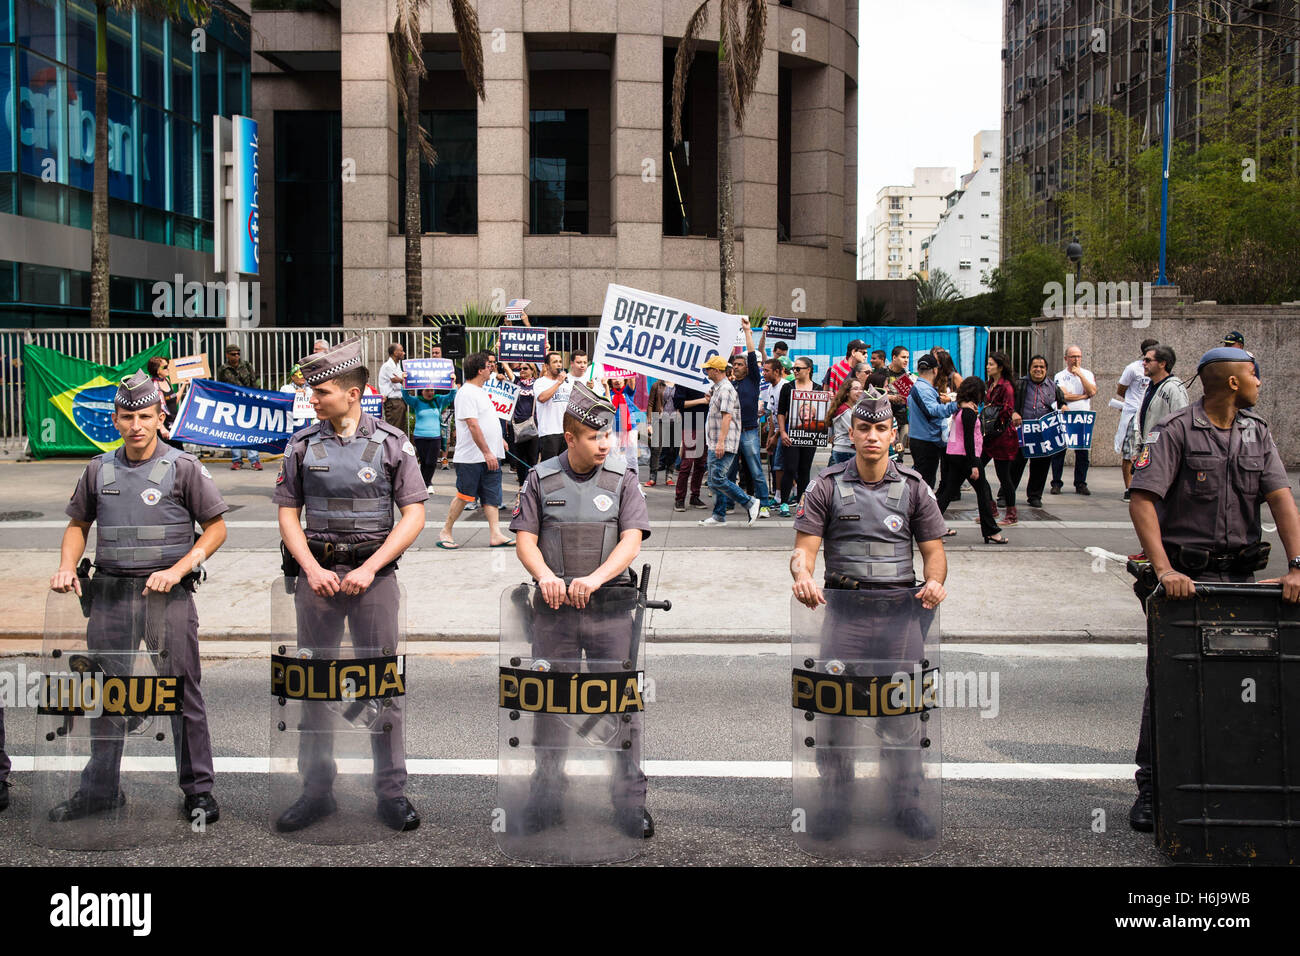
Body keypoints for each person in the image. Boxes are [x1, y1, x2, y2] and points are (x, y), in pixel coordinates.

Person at [1125, 346, 1300, 832]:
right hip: (1186, 582)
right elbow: (1142, 502)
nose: (1260, 383)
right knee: (1169, 680)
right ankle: (1153, 787)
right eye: (1253, 375)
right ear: (1230, 382)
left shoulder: (1256, 433)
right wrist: (1164, 572)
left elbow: (1282, 501)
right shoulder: (1175, 430)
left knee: (1241, 684)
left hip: (1241, 581)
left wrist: (1298, 567)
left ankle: (1228, 776)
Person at [49, 370, 228, 826]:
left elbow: (216, 528)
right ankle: (101, 790)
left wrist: (178, 569)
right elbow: (78, 525)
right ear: (115, 418)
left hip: (165, 599)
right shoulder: (98, 469)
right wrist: (69, 566)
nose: (136, 426)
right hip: (109, 596)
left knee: (181, 693)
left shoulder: (184, 468)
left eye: (145, 416)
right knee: (107, 696)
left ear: (160, 415)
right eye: (127, 416)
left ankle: (198, 792)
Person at [272, 339, 427, 834]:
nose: (312, 398)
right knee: (313, 687)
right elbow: (287, 514)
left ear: (354, 393)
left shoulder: (392, 443)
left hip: (372, 579)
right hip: (316, 579)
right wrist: (311, 569)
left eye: (321, 390)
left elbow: (414, 515)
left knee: (382, 687)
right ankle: (316, 792)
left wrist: (371, 566)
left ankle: (391, 793)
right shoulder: (300, 446)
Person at [789, 385, 949, 840]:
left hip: (902, 614)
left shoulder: (916, 489)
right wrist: (802, 575)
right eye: (864, 428)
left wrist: (936, 581)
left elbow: (934, 554)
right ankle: (835, 801)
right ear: (851, 432)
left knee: (901, 713)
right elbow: (803, 551)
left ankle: (906, 803)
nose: (873, 437)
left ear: (894, 435)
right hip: (845, 615)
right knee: (834, 712)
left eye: (881, 429)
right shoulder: (826, 485)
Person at [510, 381, 654, 838]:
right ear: (570, 438)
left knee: (619, 706)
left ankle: (628, 801)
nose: (605, 444)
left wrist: (594, 579)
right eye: (594, 437)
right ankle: (547, 795)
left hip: (610, 610)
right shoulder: (540, 477)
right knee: (550, 706)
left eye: (607, 435)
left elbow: (631, 539)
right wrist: (545, 576)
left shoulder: (622, 479)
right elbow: (525, 540)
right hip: (553, 614)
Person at [439, 352, 514, 550]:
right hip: (472, 458)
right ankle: (446, 530)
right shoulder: (466, 393)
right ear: (480, 370)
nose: (492, 367)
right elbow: (473, 425)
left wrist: (498, 443)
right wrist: (487, 452)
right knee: (465, 495)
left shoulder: (480, 391)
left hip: (489, 454)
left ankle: (495, 534)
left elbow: (485, 421)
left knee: (491, 496)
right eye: (488, 365)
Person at [935, 377, 1007, 544]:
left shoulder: (961, 410)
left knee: (947, 493)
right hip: (965, 456)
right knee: (983, 493)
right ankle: (991, 531)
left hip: (955, 454)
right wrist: (974, 464)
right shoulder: (967, 412)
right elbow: (968, 439)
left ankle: (930, 528)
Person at [698, 356, 762, 527]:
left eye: (709, 369)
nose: (706, 371)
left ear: (717, 371)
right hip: (716, 441)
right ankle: (719, 515)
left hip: (723, 442)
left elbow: (727, 417)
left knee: (717, 479)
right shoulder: (720, 388)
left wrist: (721, 442)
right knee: (714, 479)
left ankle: (749, 502)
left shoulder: (726, 389)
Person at [725, 317, 772, 517]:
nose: (735, 367)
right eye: (733, 365)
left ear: (747, 368)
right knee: (728, 472)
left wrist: (747, 332)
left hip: (749, 432)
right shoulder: (730, 385)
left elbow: (752, 355)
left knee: (756, 472)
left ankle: (764, 505)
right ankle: (727, 504)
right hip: (732, 434)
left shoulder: (753, 380)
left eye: (739, 365)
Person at [1009, 355, 1068, 508]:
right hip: (1023, 432)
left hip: (1044, 434)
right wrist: (1014, 413)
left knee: (1041, 466)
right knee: (1016, 465)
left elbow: (1062, 403)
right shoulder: (1020, 384)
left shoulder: (1053, 387)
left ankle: (1035, 496)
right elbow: (1009, 404)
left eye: (1042, 367)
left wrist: (1064, 407)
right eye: (1035, 366)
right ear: (1029, 369)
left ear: (1046, 370)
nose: (1038, 369)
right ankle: (1006, 494)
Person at [775, 356, 821, 517]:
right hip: (791, 434)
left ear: (808, 370)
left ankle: (803, 503)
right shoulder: (788, 388)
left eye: (798, 369)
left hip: (811, 436)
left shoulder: (818, 389)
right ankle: (784, 503)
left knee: (804, 470)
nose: (794, 371)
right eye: (794, 368)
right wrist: (782, 432)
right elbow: (780, 412)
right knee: (790, 468)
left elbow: (822, 414)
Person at [905, 353, 958, 491]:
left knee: (923, 479)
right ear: (935, 370)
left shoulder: (921, 387)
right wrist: (955, 405)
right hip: (925, 441)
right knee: (925, 483)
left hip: (923, 439)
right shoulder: (923, 389)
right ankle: (920, 511)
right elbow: (933, 411)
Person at [1115, 338, 1159, 501]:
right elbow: (1121, 389)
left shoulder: (1161, 370)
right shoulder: (1133, 369)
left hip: (1152, 413)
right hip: (1134, 413)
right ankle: (1129, 487)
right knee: (1129, 451)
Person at [1050, 345, 1097, 495]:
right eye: (1072, 357)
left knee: (1082, 452)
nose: (1076, 360)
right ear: (1066, 359)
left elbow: (1092, 391)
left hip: (1082, 418)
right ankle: (1056, 483)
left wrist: (1080, 376)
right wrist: (1083, 396)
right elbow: (1063, 396)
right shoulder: (1060, 375)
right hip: (1065, 416)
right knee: (1059, 451)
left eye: (1078, 356)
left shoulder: (1087, 374)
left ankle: (1080, 483)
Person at [982, 351, 1021, 526]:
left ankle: (1011, 514)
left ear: (1000, 366)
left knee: (1004, 476)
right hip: (990, 435)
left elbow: (1007, 410)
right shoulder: (991, 383)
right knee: (976, 469)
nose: (988, 367)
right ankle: (990, 508)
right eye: (988, 363)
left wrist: (992, 413)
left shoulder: (1006, 387)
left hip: (1003, 436)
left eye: (991, 364)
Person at [216, 343, 262, 470]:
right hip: (232, 404)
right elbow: (220, 387)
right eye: (233, 354)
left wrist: (258, 397)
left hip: (248, 402)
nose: (236, 356)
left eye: (238, 354)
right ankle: (237, 460)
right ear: (227, 355)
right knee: (233, 431)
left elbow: (254, 382)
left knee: (251, 430)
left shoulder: (246, 366)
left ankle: (254, 459)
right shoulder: (223, 369)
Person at [404, 385, 455, 492]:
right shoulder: (417, 401)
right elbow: (406, 397)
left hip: (435, 437)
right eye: (427, 390)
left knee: (431, 462)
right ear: (422, 391)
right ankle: (424, 483)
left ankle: (428, 483)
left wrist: (453, 382)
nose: (430, 392)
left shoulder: (438, 400)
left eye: (432, 390)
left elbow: (451, 395)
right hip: (420, 436)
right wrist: (404, 383)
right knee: (424, 462)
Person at [1137, 345, 1188, 446]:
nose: (1143, 363)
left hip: (1164, 452)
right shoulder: (1150, 386)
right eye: (1143, 360)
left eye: (1148, 360)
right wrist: (1138, 448)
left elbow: (1182, 423)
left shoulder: (1174, 388)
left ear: (1162, 364)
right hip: (1148, 450)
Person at [674, 382, 709, 511]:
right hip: (690, 422)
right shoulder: (684, 379)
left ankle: (695, 496)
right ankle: (680, 498)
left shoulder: (708, 379)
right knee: (687, 464)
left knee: (700, 464)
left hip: (706, 423)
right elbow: (679, 404)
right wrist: (703, 400)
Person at [534, 351, 571, 463]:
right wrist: (558, 383)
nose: (559, 365)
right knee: (550, 467)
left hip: (565, 431)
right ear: (546, 366)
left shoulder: (567, 383)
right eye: (555, 362)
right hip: (549, 432)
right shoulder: (540, 382)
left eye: (560, 362)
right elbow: (542, 398)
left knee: (565, 466)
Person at [761, 358, 788, 500]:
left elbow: (786, 415)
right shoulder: (771, 387)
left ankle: (779, 495)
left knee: (779, 465)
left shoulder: (785, 386)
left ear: (777, 371)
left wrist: (776, 436)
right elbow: (772, 414)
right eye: (763, 370)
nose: (764, 373)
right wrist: (770, 436)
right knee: (776, 464)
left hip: (785, 431)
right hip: (776, 430)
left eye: (767, 370)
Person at [509, 363, 539, 486]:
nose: (521, 370)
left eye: (525, 368)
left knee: (532, 457)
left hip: (533, 423)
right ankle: (522, 485)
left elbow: (547, 368)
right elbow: (506, 366)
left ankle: (531, 485)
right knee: (520, 458)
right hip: (518, 424)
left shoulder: (538, 383)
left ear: (532, 370)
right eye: (520, 368)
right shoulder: (516, 382)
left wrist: (546, 349)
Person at [645, 379, 678, 487]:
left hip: (676, 421)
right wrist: (649, 423)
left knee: (673, 449)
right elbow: (650, 404)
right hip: (658, 419)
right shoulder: (657, 385)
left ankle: (669, 475)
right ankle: (652, 477)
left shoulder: (680, 385)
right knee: (656, 448)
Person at [826, 377, 863, 465]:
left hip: (848, 450)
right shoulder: (844, 410)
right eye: (855, 389)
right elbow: (856, 430)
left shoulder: (853, 408)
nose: (860, 391)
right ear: (847, 393)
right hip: (846, 451)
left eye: (861, 389)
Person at [377, 342, 408, 435]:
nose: (404, 353)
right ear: (395, 353)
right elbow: (395, 381)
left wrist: (401, 380)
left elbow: (401, 380)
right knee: (394, 430)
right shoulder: (388, 366)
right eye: (401, 351)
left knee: (400, 430)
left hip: (399, 401)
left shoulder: (397, 365)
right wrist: (402, 380)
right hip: (393, 402)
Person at [885, 346, 911, 448]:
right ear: (894, 357)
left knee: (900, 452)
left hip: (903, 419)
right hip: (886, 419)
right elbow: (874, 395)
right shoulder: (883, 372)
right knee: (889, 452)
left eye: (908, 357)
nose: (906, 360)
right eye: (903, 357)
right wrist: (891, 398)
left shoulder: (907, 375)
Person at [281, 364, 313, 434]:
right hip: (290, 425)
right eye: (300, 374)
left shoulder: (309, 390)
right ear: (293, 377)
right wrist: (296, 394)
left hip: (306, 425)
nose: (303, 377)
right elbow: (284, 399)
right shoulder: (286, 388)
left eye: (305, 374)